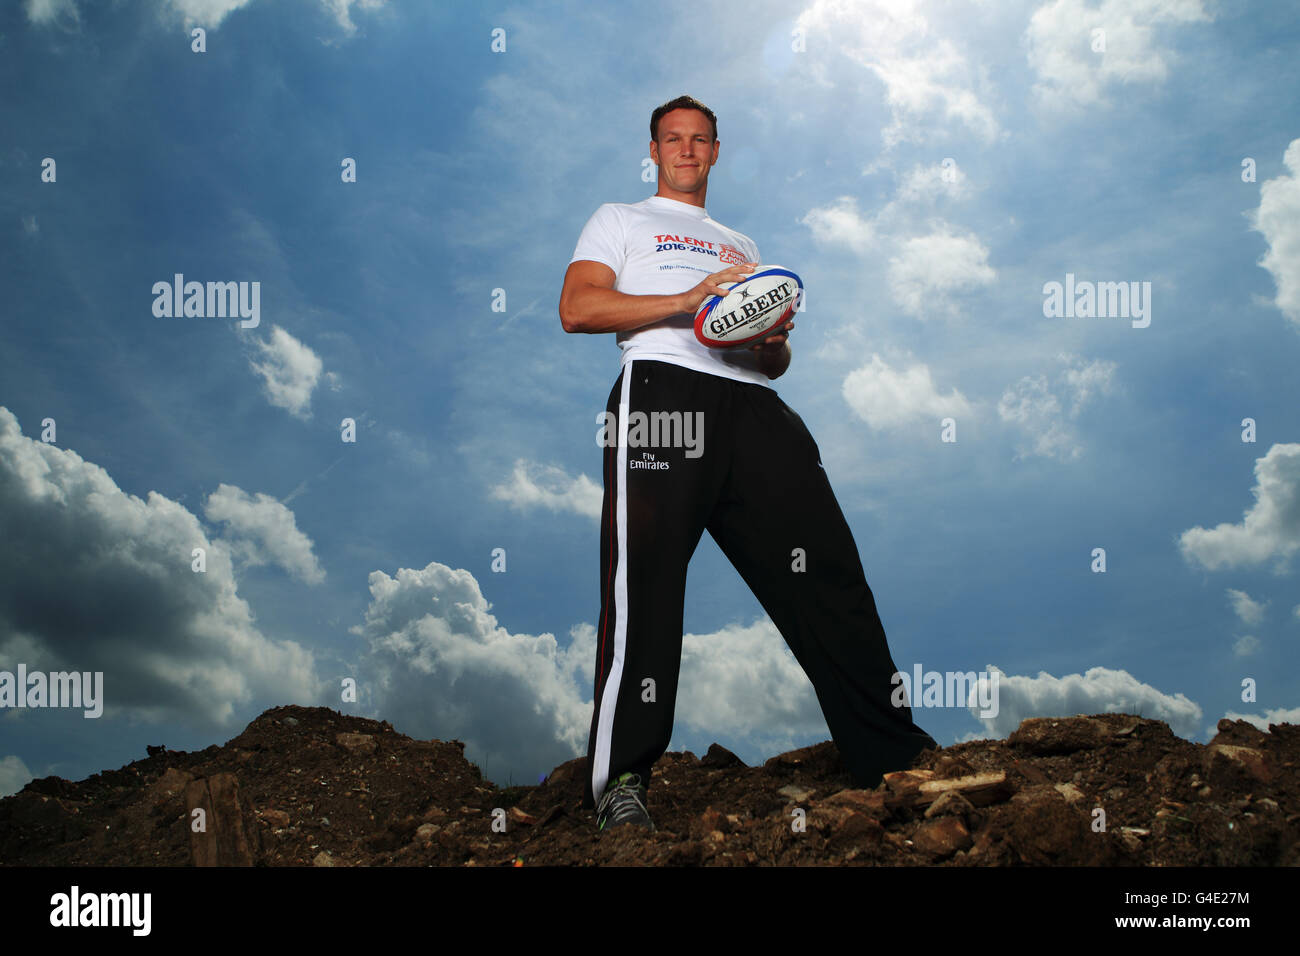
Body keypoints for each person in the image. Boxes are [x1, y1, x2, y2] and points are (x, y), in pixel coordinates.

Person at [558, 95, 937, 833]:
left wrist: (769, 340)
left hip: (756, 407)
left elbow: (778, 359)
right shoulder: (620, 219)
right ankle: (622, 780)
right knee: (649, 584)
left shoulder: (740, 244)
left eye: (701, 140)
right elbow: (578, 308)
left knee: (827, 570)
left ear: (717, 151)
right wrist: (684, 300)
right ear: (655, 149)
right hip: (663, 393)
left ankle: (890, 752)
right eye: (674, 139)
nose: (688, 150)